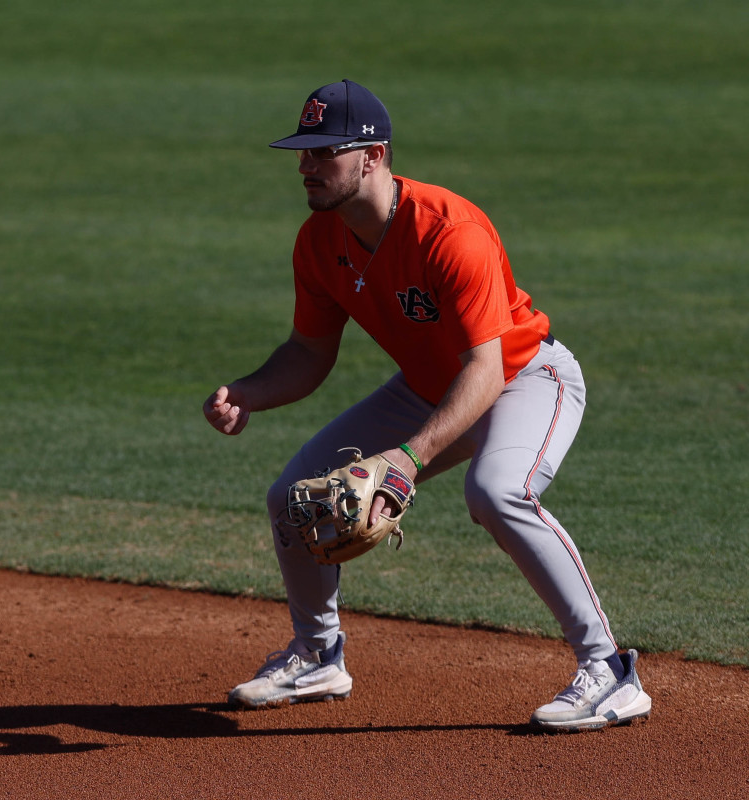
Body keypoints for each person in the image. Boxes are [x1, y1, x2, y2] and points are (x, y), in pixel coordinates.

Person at [201, 80, 652, 732]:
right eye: (303, 152)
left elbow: (486, 368)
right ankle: (317, 654)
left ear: (373, 155)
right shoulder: (318, 241)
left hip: (527, 378)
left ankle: (609, 670)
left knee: (496, 491)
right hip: (432, 386)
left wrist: (408, 460)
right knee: (293, 495)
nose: (306, 166)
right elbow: (308, 353)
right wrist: (248, 393)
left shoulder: (449, 231)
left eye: (324, 152)